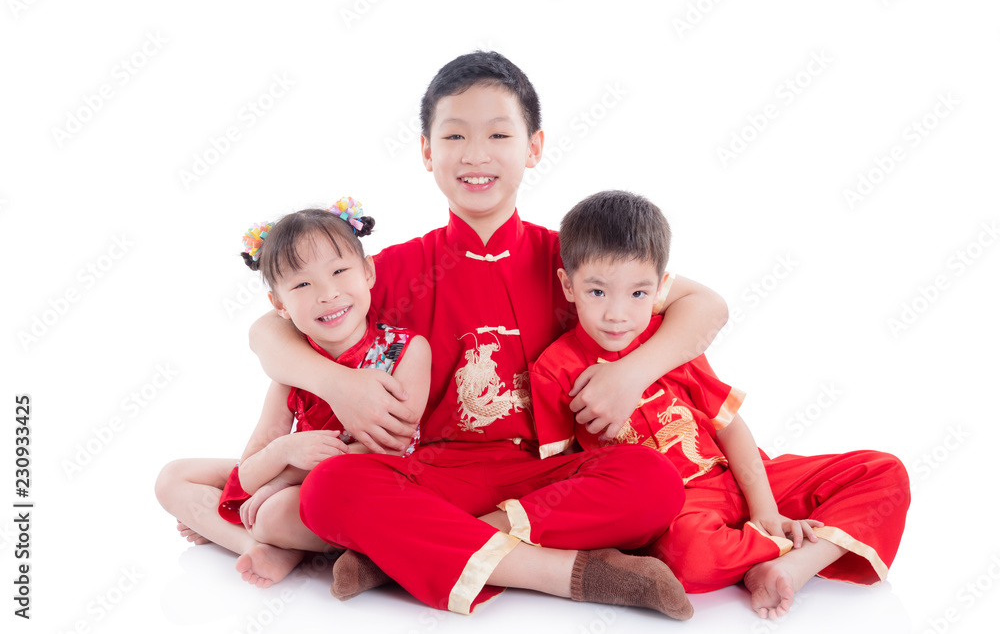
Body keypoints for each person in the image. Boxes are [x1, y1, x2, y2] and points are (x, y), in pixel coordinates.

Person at [249, 52, 730, 617]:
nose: (476, 155)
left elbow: (708, 305)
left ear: (534, 147)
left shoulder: (575, 265)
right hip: (429, 472)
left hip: (546, 476)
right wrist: (338, 384)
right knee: (332, 488)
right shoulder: (393, 268)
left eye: (499, 134)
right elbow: (268, 329)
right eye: (454, 136)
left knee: (653, 482)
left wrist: (631, 374)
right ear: (427, 152)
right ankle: (567, 573)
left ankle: (404, 552)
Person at [530, 190, 911, 620]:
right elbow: (561, 473)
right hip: (678, 509)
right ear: (569, 285)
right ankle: (791, 547)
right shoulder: (555, 370)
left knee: (883, 471)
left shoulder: (669, 342)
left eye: (638, 294)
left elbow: (729, 425)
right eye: (597, 292)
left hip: (742, 475)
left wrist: (766, 509)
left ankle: (793, 563)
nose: (617, 314)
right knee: (691, 558)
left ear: (659, 288)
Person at [155, 198, 430, 588]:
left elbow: (391, 446)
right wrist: (282, 453)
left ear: (368, 272)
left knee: (273, 511)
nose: (327, 293)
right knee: (173, 477)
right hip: (292, 472)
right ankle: (254, 544)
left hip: (369, 485)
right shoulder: (293, 365)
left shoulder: (406, 351)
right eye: (302, 284)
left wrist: (279, 480)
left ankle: (266, 535)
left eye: (339, 271)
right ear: (279, 304)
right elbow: (251, 466)